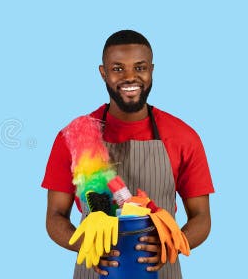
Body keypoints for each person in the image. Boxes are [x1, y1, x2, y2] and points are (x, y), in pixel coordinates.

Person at [42, 30, 214, 279]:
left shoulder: (183, 136)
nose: (130, 77)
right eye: (118, 68)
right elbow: (55, 216)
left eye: (140, 67)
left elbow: (202, 217)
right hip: (95, 269)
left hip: (161, 270)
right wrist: (84, 245)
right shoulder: (74, 138)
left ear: (152, 70)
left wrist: (171, 243)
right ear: (103, 73)